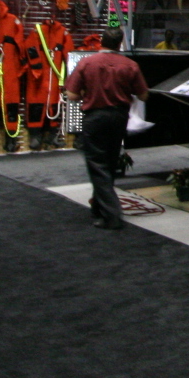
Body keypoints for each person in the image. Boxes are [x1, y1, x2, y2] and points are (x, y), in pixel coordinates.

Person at [64, 27, 148, 230]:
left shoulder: (87, 63)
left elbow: (72, 95)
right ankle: (99, 209)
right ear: (120, 44)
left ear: (101, 41)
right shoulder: (130, 65)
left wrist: (87, 91)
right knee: (109, 163)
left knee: (97, 165)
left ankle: (113, 215)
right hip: (119, 118)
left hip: (95, 118)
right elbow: (144, 95)